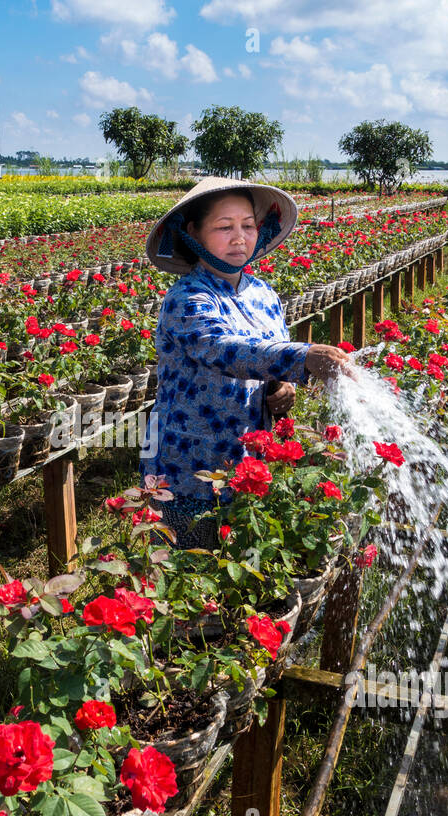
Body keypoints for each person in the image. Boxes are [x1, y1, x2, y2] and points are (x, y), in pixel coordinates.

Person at [141, 177, 353, 549]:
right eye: (224, 227)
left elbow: (270, 352)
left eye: (248, 225)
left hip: (247, 458)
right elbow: (222, 349)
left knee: (241, 567)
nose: (239, 237)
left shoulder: (262, 293)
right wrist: (305, 356)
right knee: (190, 571)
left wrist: (281, 385)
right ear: (194, 233)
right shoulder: (187, 298)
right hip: (189, 462)